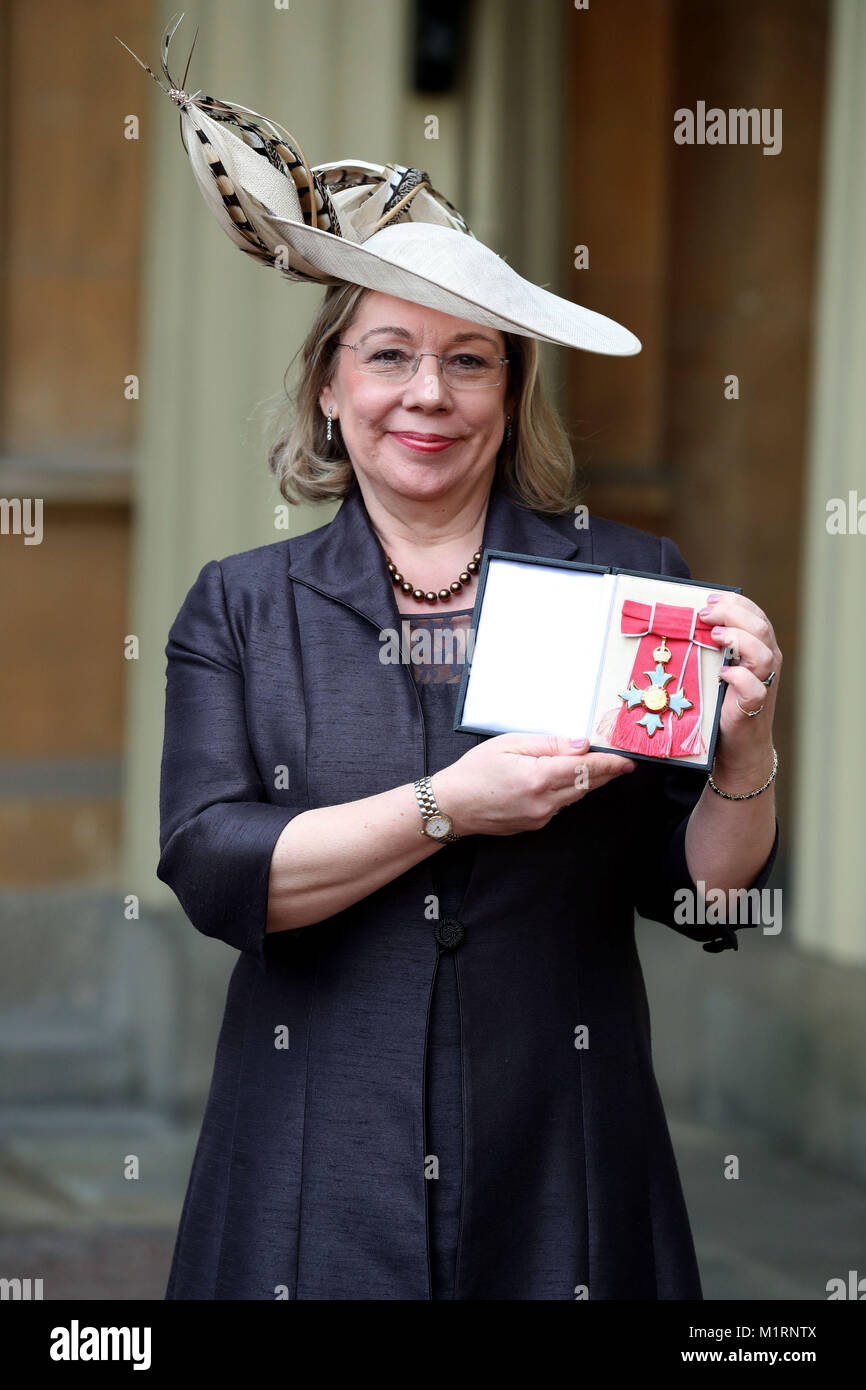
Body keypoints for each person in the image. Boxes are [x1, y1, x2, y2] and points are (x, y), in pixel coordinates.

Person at [131, 17, 781, 1300]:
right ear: (328, 386)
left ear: (507, 390)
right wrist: (448, 808)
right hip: (313, 1160)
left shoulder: (626, 584)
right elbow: (219, 873)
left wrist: (742, 759)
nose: (425, 394)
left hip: (564, 1162)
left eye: (466, 360)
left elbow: (705, 896)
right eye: (387, 354)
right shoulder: (239, 610)